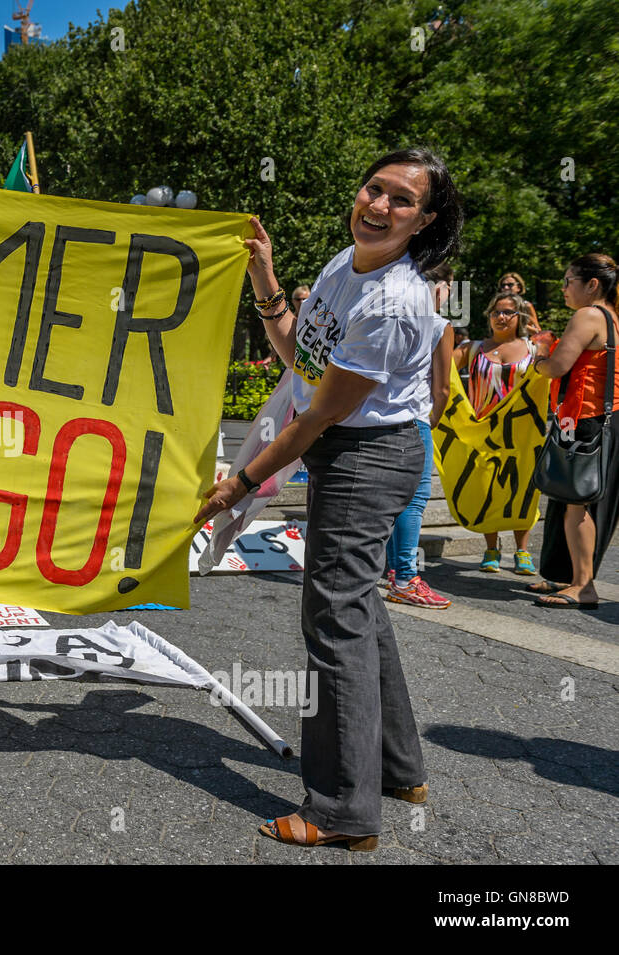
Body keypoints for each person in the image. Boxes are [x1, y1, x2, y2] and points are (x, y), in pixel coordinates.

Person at [196, 147, 463, 850]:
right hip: (346, 450)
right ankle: (399, 767)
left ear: (424, 220)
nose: (378, 205)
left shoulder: (397, 302)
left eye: (401, 200)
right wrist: (265, 275)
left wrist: (241, 481)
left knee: (333, 619)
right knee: (356, 608)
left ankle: (344, 809)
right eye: (374, 188)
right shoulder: (345, 265)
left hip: (368, 457)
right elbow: (300, 361)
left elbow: (316, 416)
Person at [529, 253, 619, 609]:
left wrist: (539, 353)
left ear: (591, 284)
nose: (564, 288)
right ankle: (569, 577)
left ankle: (583, 585)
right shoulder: (612, 317)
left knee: (575, 505)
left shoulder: (588, 315)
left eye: (568, 281)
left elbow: (556, 368)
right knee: (575, 502)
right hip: (606, 418)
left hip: (586, 419)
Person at [452, 292, 540, 573]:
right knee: (485, 488)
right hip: (481, 431)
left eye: (508, 313)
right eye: (496, 312)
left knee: (522, 488)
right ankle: (491, 549)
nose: (501, 317)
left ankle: (522, 551)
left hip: (521, 434)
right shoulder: (473, 348)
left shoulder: (534, 347)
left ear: (520, 317)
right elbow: (442, 370)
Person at [383, 267, 455, 607]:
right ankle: (406, 577)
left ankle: (393, 572)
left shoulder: (387, 317)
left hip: (379, 420)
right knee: (414, 500)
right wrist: (432, 421)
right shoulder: (439, 326)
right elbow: (442, 388)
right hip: (415, 419)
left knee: (390, 500)